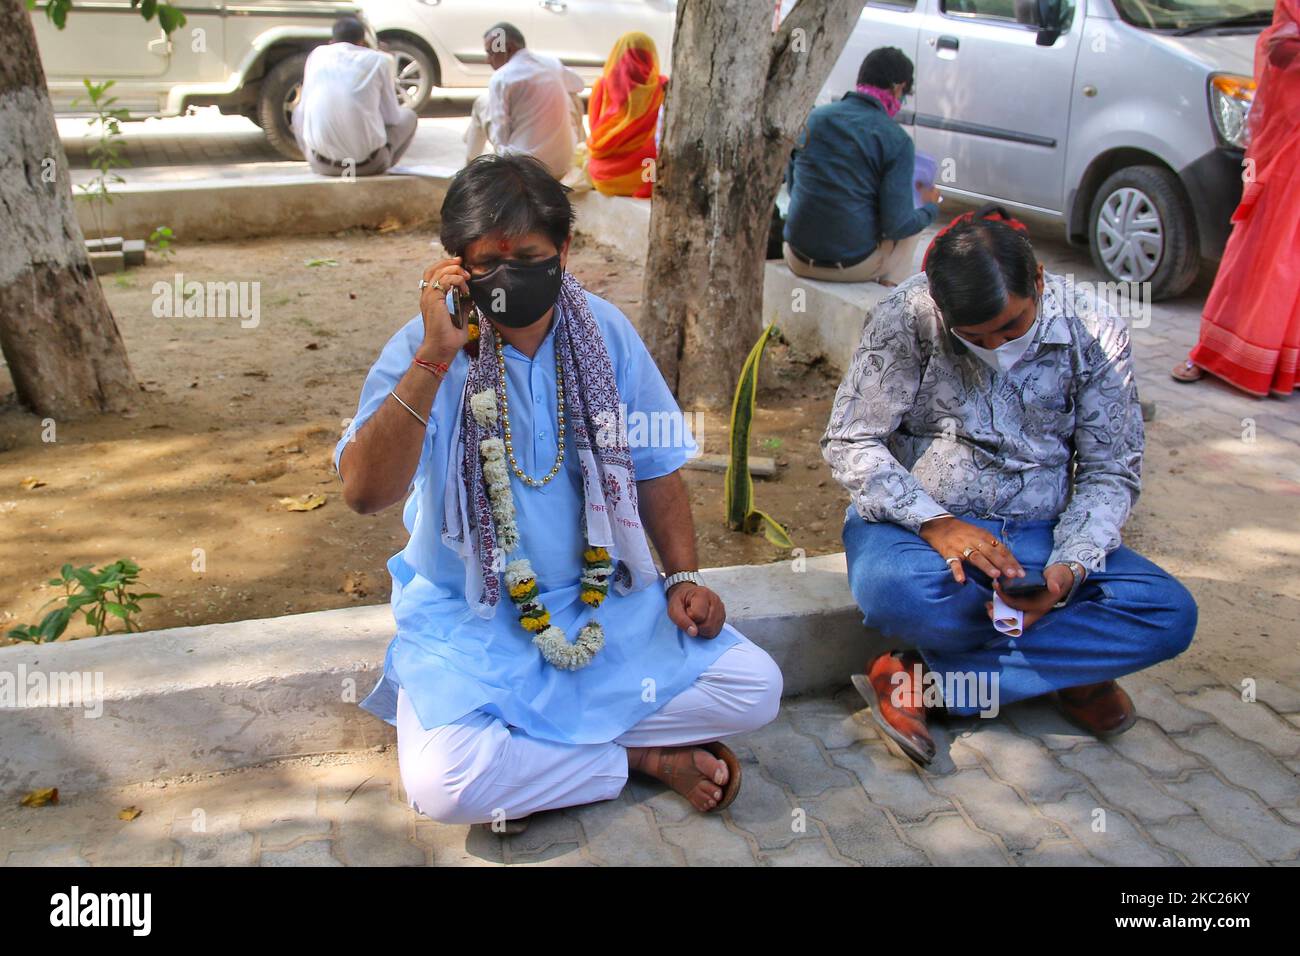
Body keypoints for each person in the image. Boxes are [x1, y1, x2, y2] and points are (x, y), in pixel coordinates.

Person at [335, 154, 782, 828]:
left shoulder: (606, 335)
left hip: (597, 606)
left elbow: (657, 466)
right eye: (486, 261)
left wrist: (683, 574)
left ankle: (564, 751)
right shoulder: (423, 350)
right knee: (447, 787)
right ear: (453, 264)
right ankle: (643, 759)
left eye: (530, 256)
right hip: (474, 623)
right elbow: (365, 492)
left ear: (565, 249)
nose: (508, 276)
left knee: (757, 690)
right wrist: (434, 357)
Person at [823, 207, 1197, 766]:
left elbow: (1110, 470)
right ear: (941, 306)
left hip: (1042, 535)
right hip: (922, 533)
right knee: (895, 593)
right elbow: (850, 440)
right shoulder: (907, 314)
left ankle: (925, 680)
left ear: (1039, 281)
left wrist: (1067, 570)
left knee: (1167, 613)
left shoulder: (1093, 327)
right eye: (974, 336)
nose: (997, 345)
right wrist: (937, 523)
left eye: (1012, 326)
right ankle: (1069, 668)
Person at [1172, 0, 1300, 397]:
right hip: (1288, 149)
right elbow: (1277, 51)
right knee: (1258, 250)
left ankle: (1285, 365)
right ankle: (1215, 353)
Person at [783, 47, 941, 286]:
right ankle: (889, 297)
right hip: (850, 267)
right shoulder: (896, 140)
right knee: (915, 220)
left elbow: (794, 190)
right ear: (898, 88)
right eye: (903, 95)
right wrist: (930, 207)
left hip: (795, 257)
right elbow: (897, 225)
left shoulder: (813, 119)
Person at [292, 16, 418, 177]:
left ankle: (331, 163)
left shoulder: (317, 55)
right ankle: (382, 167)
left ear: (332, 42)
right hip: (368, 166)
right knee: (409, 116)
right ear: (361, 42)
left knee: (298, 113)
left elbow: (303, 110)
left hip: (321, 165)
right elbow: (392, 118)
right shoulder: (380, 60)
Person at [464, 23, 586, 179]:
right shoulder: (551, 63)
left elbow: (501, 139)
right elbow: (579, 85)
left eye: (490, 52)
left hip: (527, 171)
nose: (487, 60)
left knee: (481, 103)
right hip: (564, 165)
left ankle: (468, 171)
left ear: (507, 48)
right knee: (572, 98)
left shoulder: (501, 78)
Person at [585, 32, 667, 199]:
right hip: (645, 175)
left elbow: (594, 129)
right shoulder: (661, 86)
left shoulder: (602, 85)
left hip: (605, 177)